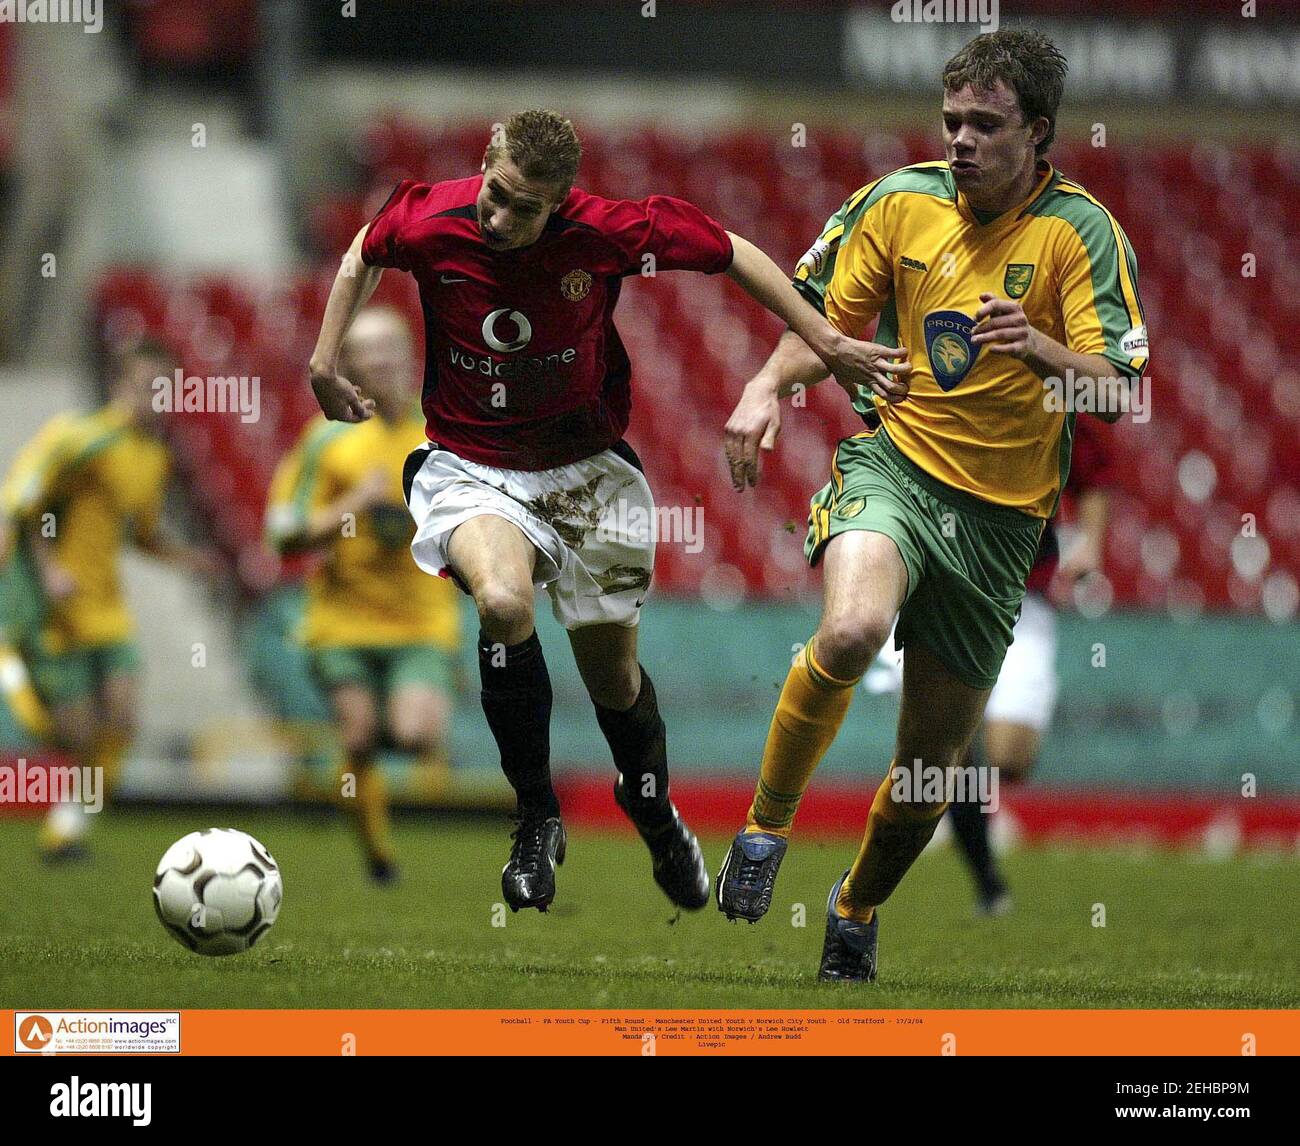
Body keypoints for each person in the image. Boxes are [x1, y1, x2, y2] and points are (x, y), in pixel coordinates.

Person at [307, 108, 902, 913]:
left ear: (562, 202)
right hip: (470, 466)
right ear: (486, 161)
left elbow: (736, 254)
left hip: (588, 476)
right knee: (505, 601)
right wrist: (322, 358)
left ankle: (653, 814)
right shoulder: (432, 215)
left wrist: (825, 342)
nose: (502, 217)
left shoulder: (610, 232)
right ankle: (534, 819)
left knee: (614, 681)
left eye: (527, 207)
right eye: (498, 193)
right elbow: (361, 253)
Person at [715, 28, 1147, 980]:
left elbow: (1121, 388)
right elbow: (821, 323)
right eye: (951, 119)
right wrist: (763, 388)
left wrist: (1042, 352)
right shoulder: (899, 203)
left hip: (1001, 529)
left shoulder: (1081, 234)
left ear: (1037, 134)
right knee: (850, 630)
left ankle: (855, 907)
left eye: (984, 125)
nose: (959, 139)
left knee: (926, 776)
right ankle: (762, 830)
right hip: (897, 471)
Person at [864, 414, 1116, 915]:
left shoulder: (1051, 391)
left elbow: (1092, 476)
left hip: (1024, 595)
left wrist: (1091, 542)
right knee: (956, 748)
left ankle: (958, 809)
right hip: (945, 586)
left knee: (1010, 755)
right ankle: (987, 881)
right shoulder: (938, 374)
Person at [0, 337, 221, 859]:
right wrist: (49, 569)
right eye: (147, 386)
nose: (157, 398)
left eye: (166, 389)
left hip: (107, 607)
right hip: (56, 608)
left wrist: (189, 560)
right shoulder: (80, 437)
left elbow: (139, 535)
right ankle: (11, 670)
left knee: (121, 720)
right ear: (121, 385)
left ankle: (67, 829)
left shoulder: (153, 457)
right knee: (73, 734)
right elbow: (26, 501)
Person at [266, 306, 462, 884]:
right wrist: (352, 505)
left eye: (390, 351)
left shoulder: (442, 435)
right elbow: (281, 533)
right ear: (348, 368)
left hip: (419, 621)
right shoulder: (327, 440)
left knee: (415, 736)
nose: (380, 364)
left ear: (410, 357)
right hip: (341, 620)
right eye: (366, 355)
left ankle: (355, 757)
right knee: (356, 735)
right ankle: (378, 854)